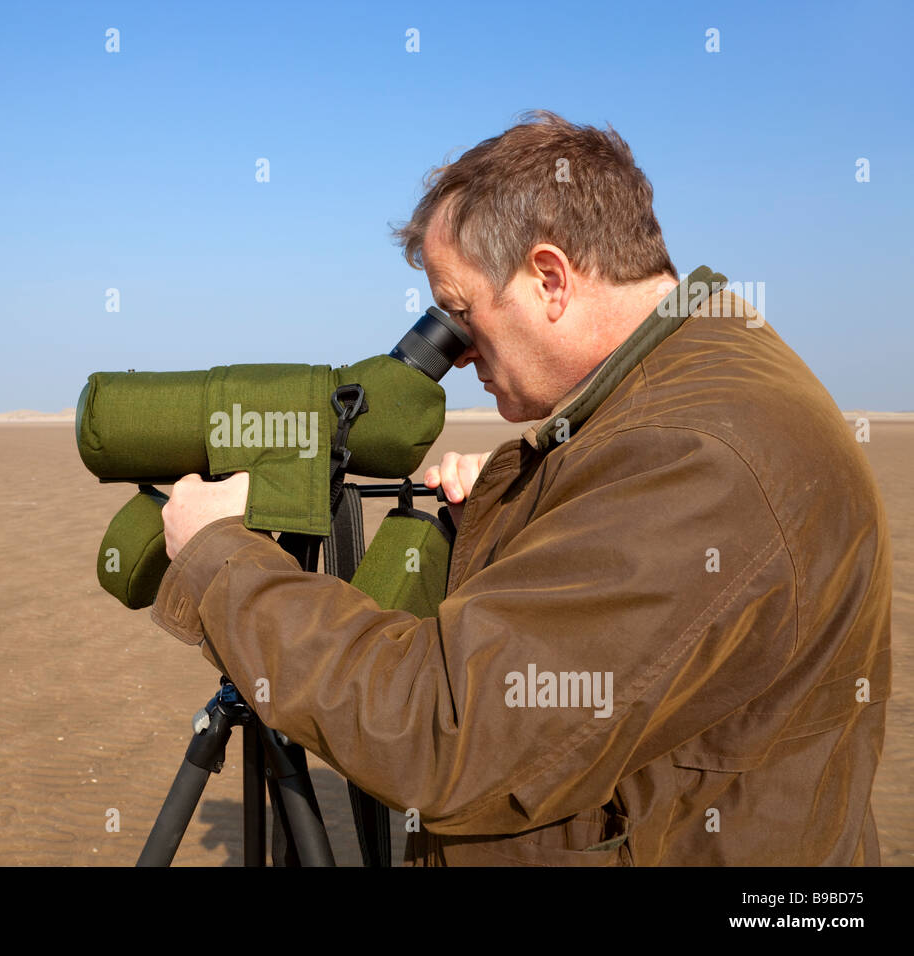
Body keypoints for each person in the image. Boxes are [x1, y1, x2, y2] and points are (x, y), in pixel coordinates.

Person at [152, 111, 891, 865]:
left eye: (461, 312)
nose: (460, 353)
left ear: (549, 279)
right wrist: (508, 519)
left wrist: (219, 559)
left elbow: (443, 729)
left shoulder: (695, 456)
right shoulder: (695, 386)